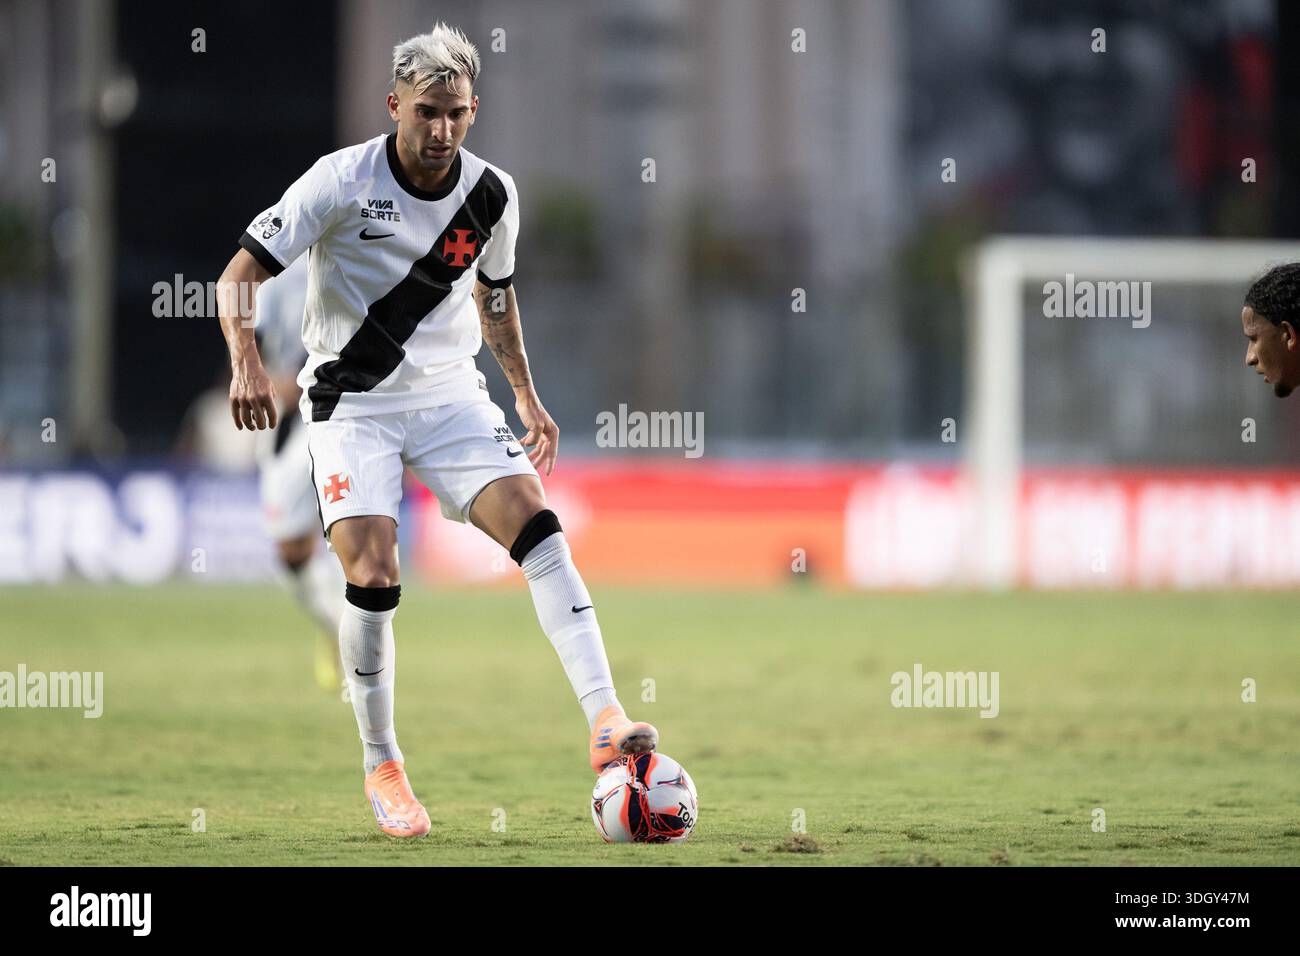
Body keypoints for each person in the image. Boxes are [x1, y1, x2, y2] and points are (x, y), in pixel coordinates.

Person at [214, 22, 658, 838]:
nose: (442, 129)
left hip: (453, 399)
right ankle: (383, 764)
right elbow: (239, 274)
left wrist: (525, 393)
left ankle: (605, 720)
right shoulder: (339, 182)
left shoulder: (492, 195)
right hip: (352, 404)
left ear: (474, 109)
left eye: (456, 113)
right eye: (427, 112)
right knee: (375, 572)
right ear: (394, 106)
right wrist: (244, 360)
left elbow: (495, 297)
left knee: (539, 525)